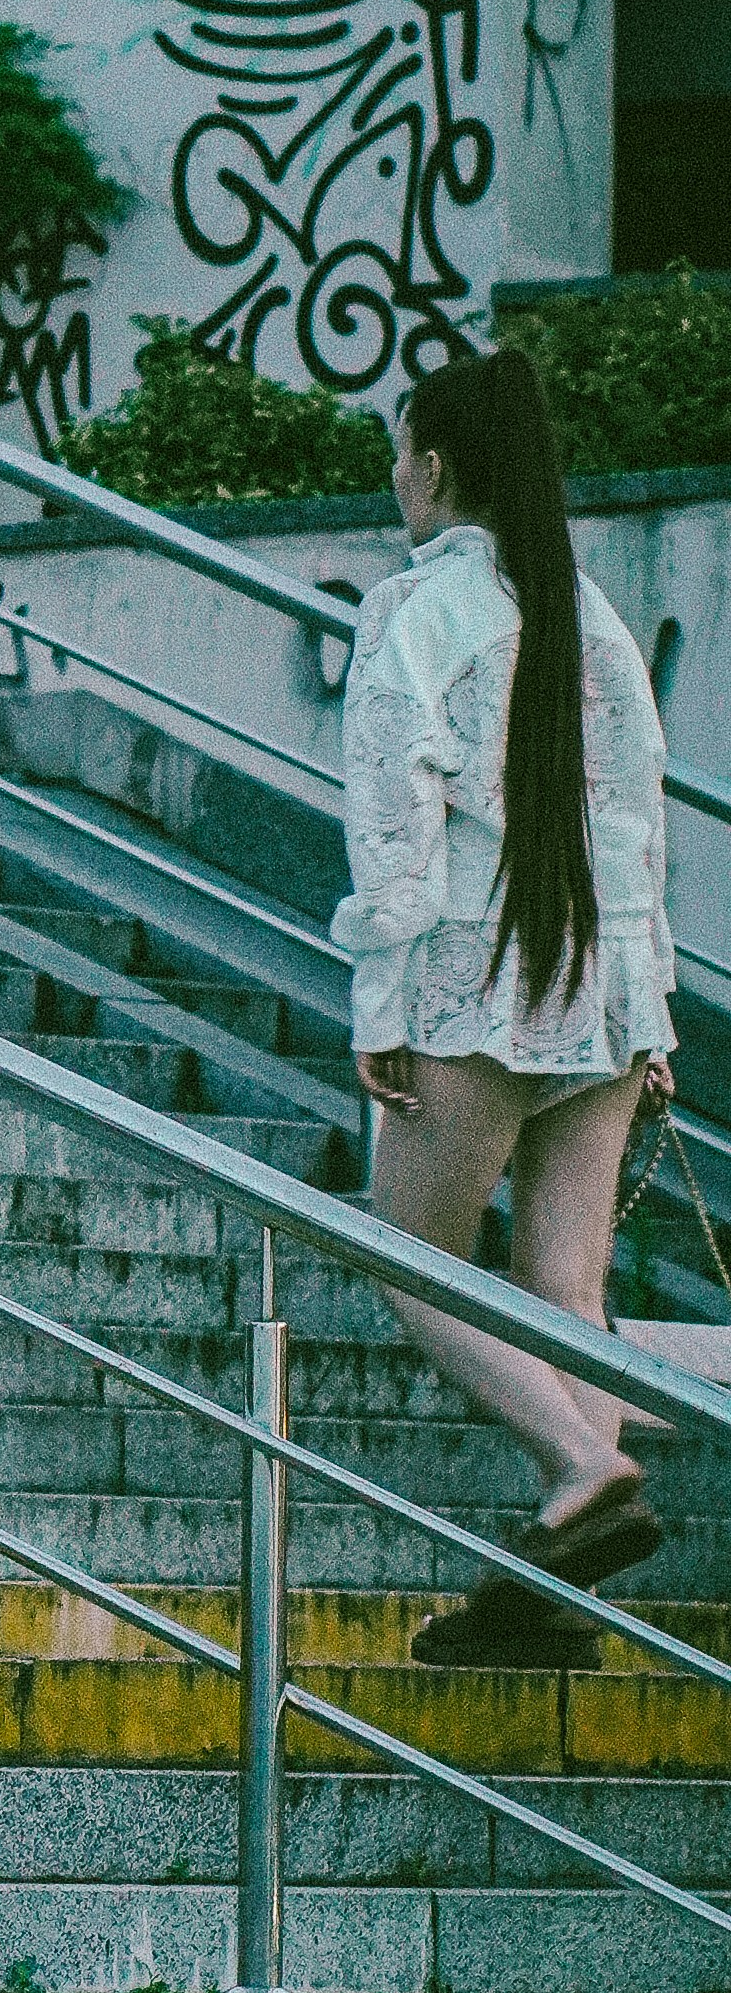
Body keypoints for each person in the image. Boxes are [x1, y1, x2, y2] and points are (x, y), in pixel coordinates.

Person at [334, 338, 676, 1664]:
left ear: (435, 468)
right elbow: (635, 825)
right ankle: (566, 1590)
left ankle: (583, 1478)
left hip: (469, 976)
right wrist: (648, 1018)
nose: (397, 487)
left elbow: (394, 818)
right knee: (563, 1291)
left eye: (400, 463)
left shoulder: (420, 612)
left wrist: (379, 998)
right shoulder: (588, 616)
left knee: (406, 1255)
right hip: (599, 978)